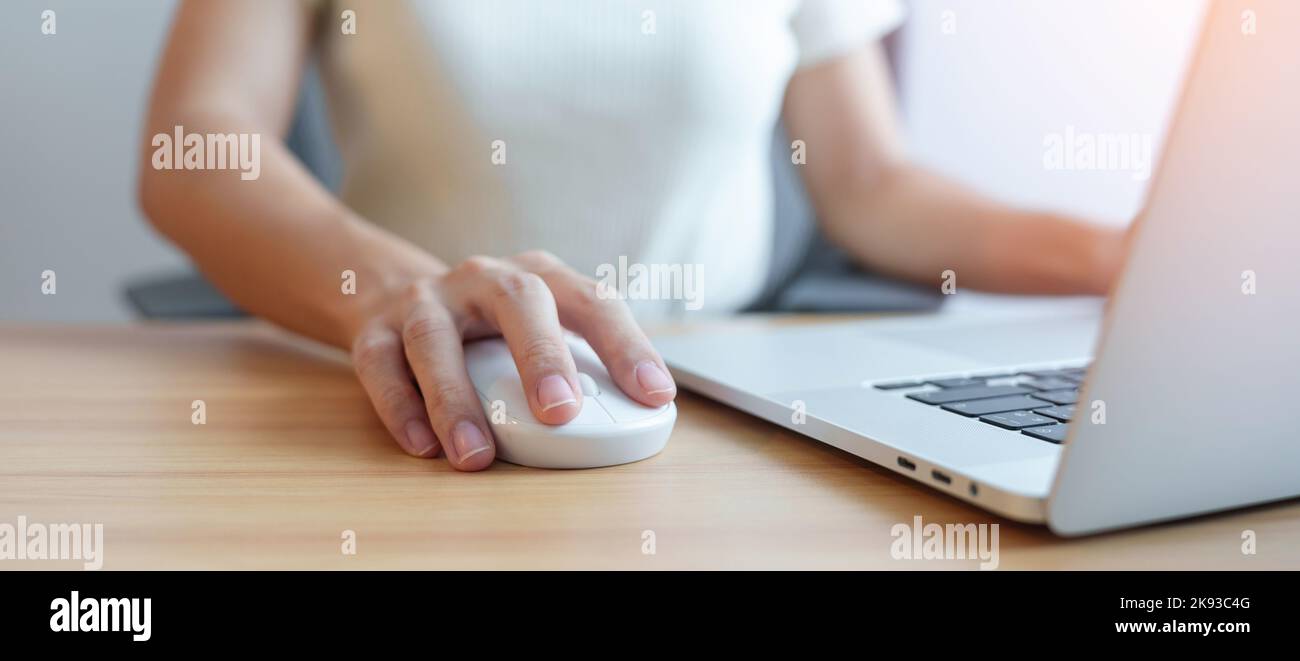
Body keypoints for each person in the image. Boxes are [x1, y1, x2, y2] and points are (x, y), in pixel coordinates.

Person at [138, 0, 1124, 471]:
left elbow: (869, 184)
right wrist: (401, 293)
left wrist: (1123, 257)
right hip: (419, 419)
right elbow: (193, 146)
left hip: (734, 423)